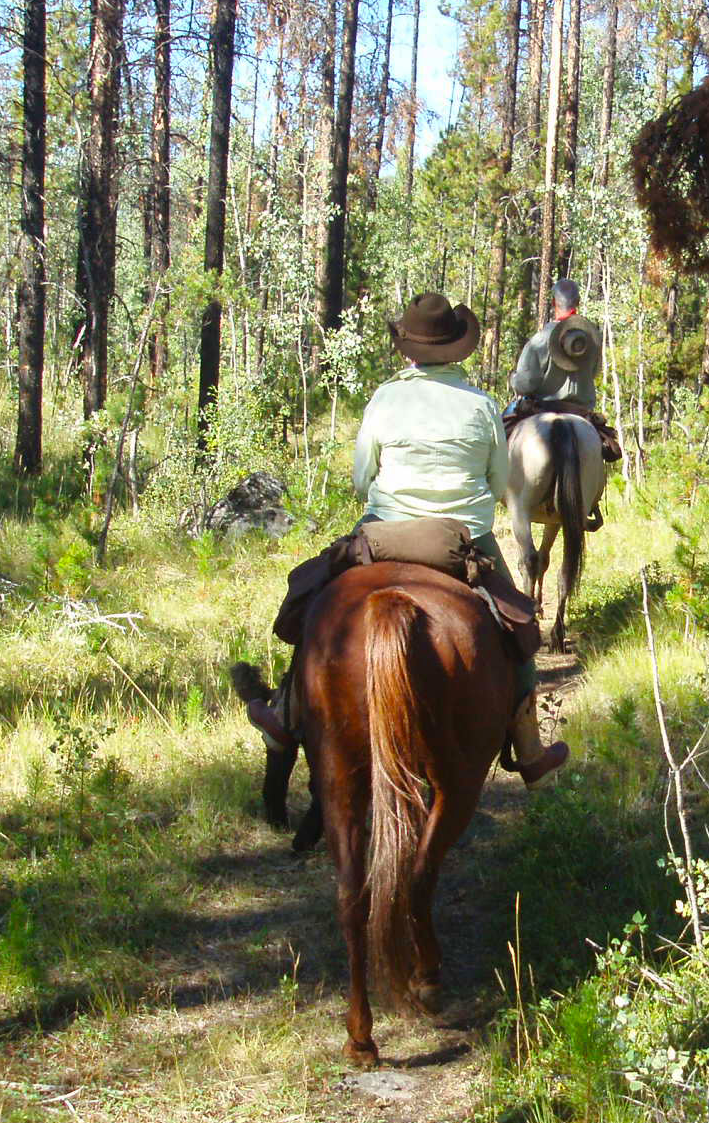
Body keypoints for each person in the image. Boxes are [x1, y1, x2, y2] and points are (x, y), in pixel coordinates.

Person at [259, 292, 567, 786]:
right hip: (463, 539)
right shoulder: (483, 404)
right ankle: (528, 746)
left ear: (409, 349)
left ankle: (288, 709)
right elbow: (496, 483)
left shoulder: (385, 398)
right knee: (519, 630)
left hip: (383, 532)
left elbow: (363, 479)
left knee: (314, 599)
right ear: (455, 349)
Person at [507, 280, 624, 509]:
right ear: (578, 303)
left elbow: (526, 383)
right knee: (604, 443)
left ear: (553, 303)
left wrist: (513, 379)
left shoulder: (540, 339)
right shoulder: (591, 339)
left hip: (541, 408)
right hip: (581, 412)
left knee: (503, 428)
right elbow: (594, 372)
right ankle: (592, 502)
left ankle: (497, 484)